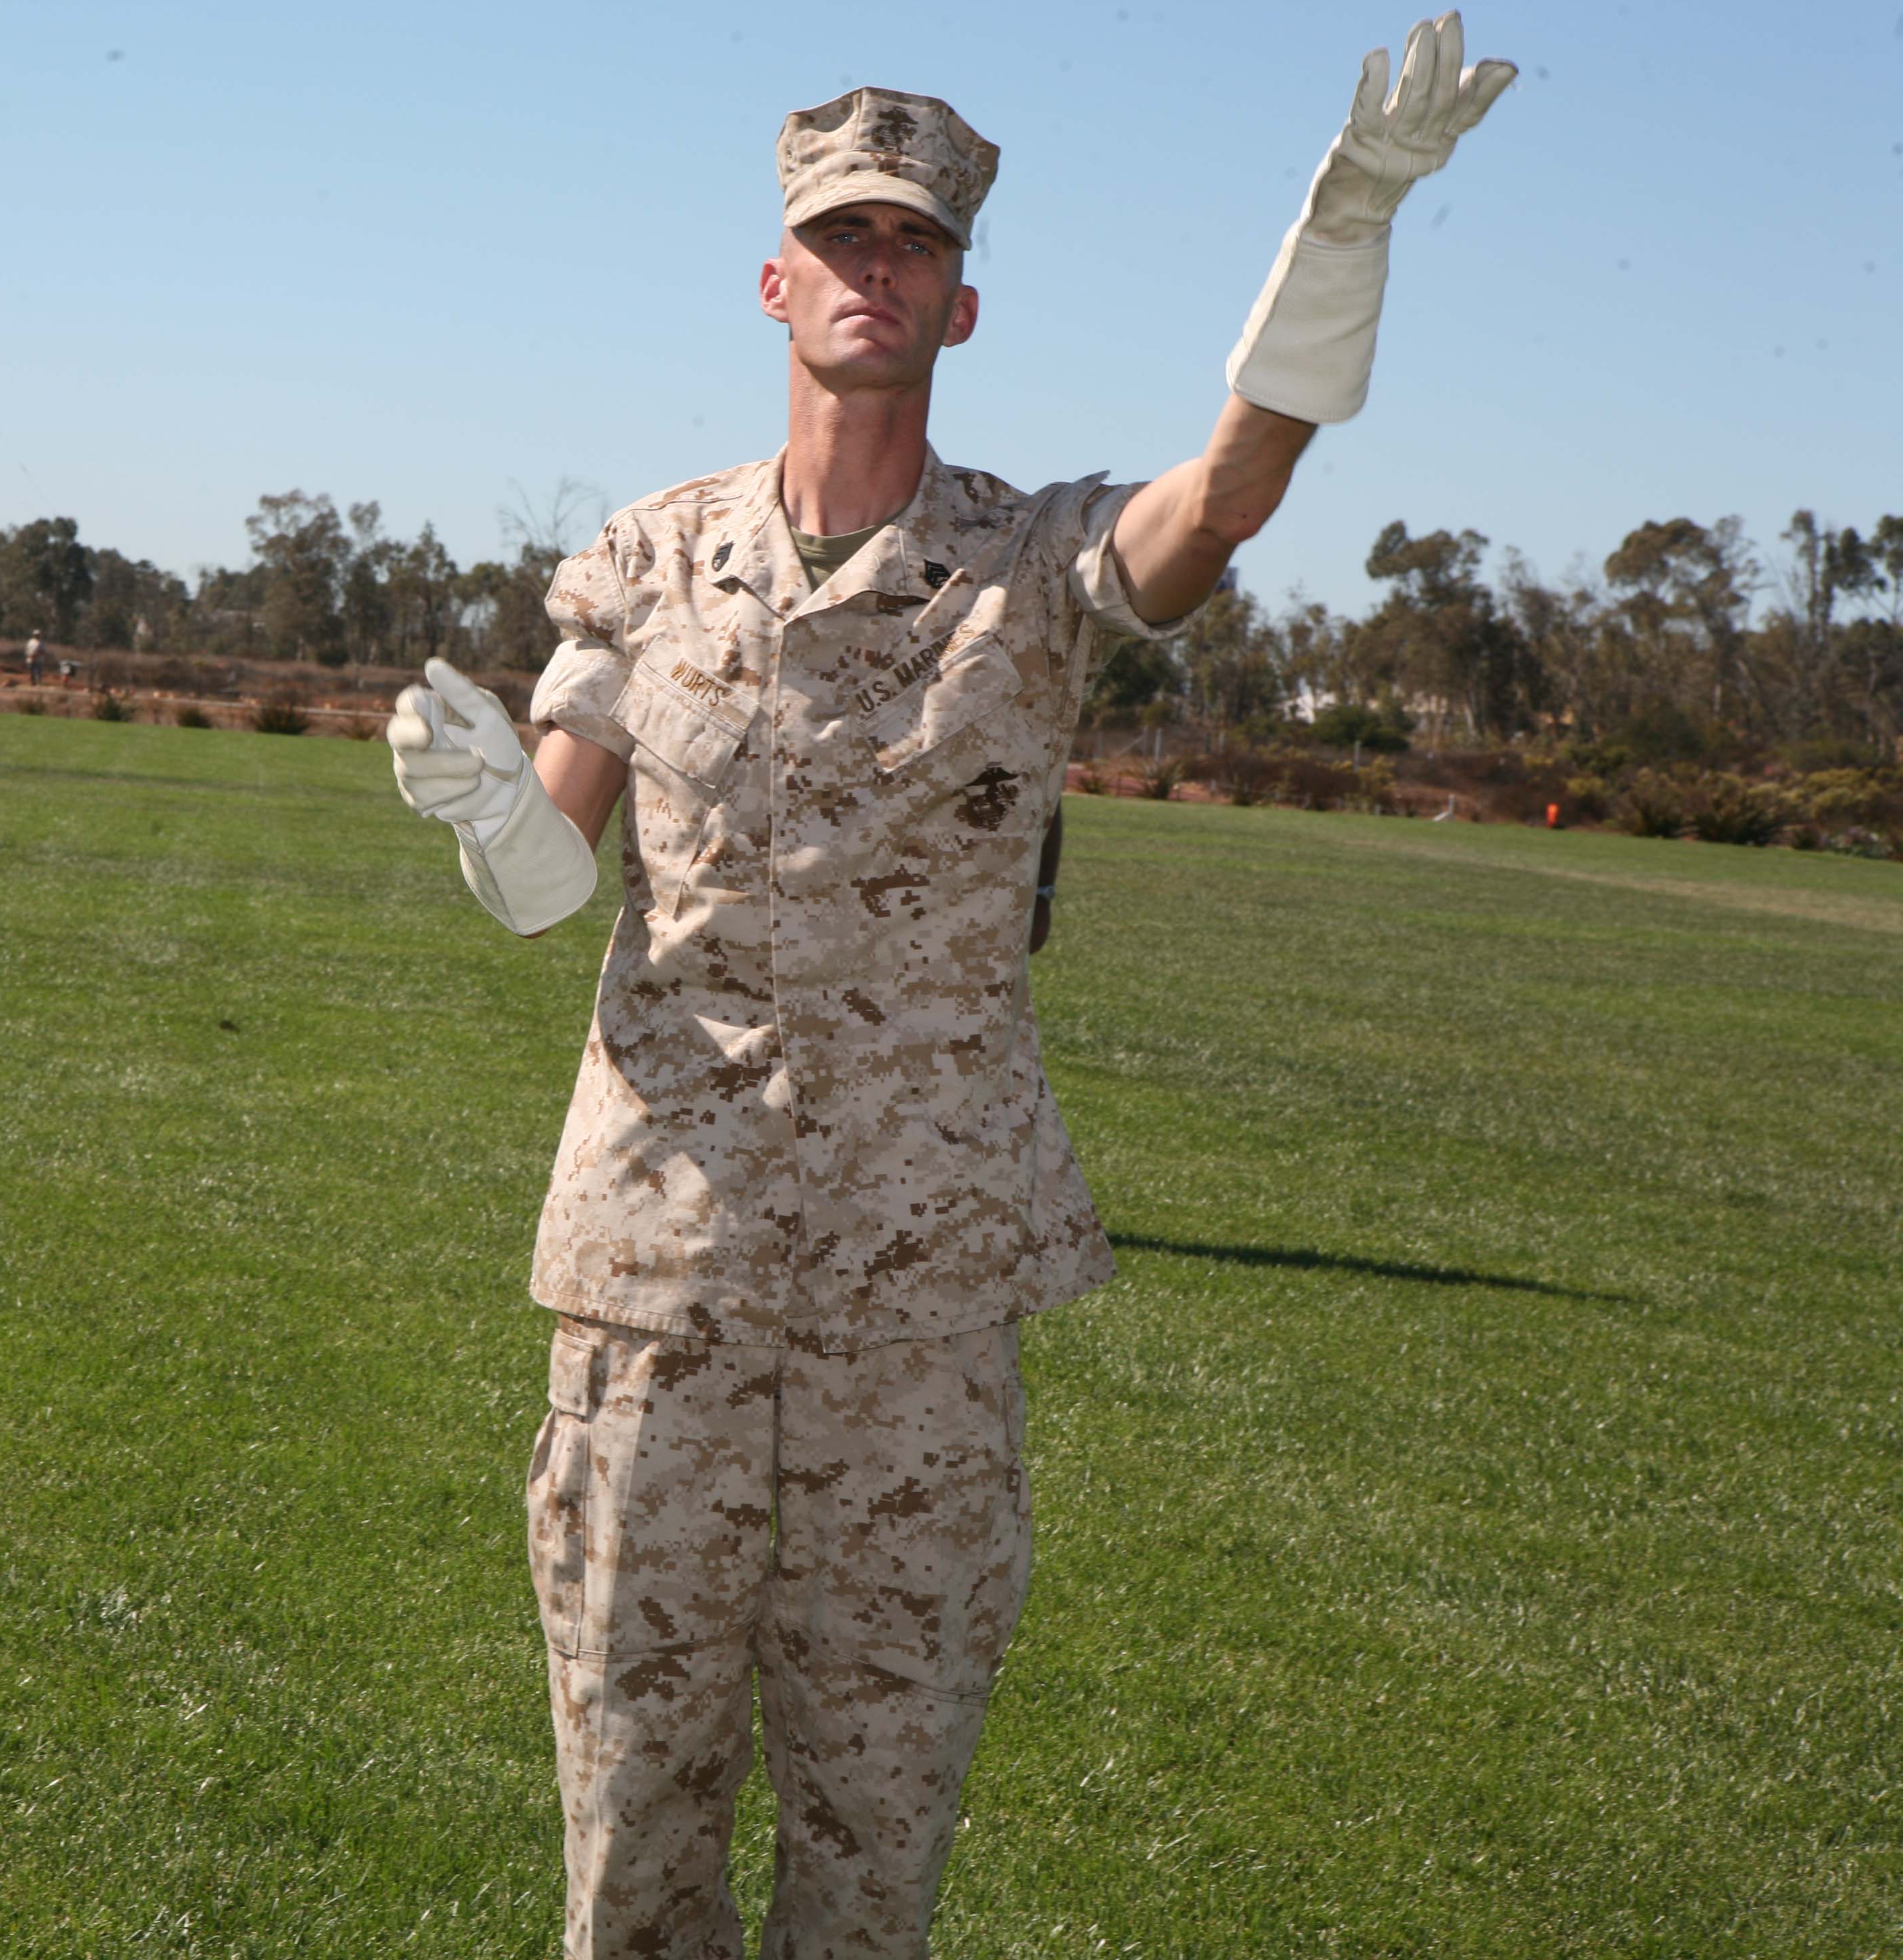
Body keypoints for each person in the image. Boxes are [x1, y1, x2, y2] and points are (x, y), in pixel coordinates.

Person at [386, 18, 1511, 1956]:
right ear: (777, 282)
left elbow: (1219, 505)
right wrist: (494, 814)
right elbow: (550, 881)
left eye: (913, 241)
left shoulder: (1032, 565)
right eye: (842, 235)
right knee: (631, 1831)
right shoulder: (649, 556)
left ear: (960, 304)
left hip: (918, 1317)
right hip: (662, 1292)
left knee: (875, 1848)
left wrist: (1343, 231)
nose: (875, 266)